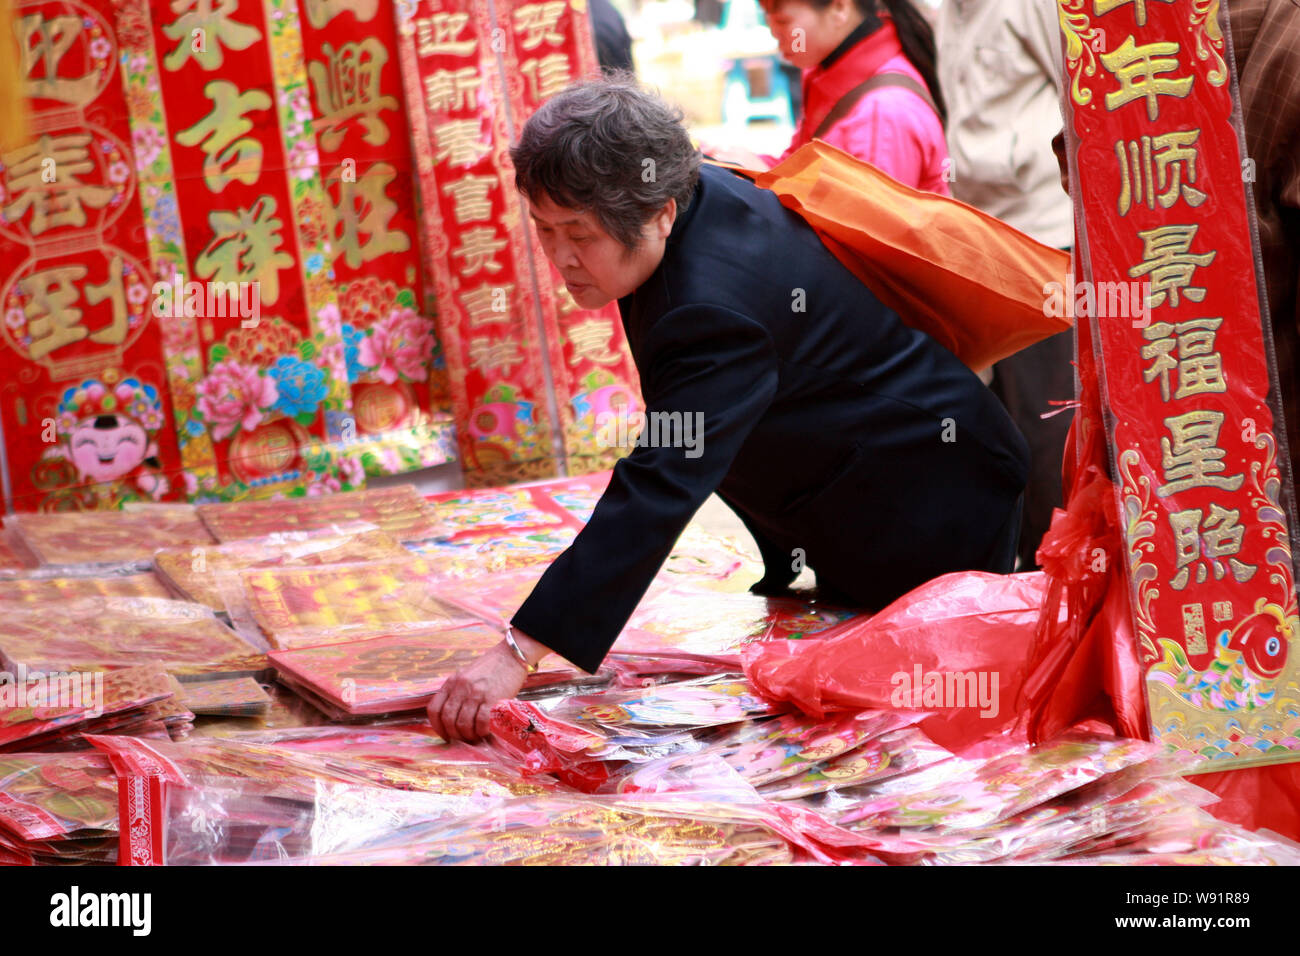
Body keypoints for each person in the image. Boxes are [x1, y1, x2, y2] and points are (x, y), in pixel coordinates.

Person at [427, 78, 1029, 744]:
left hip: (930, 499)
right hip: (859, 483)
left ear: (658, 213)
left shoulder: (713, 307)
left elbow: (660, 482)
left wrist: (518, 651)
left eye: (579, 234)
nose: (560, 257)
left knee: (934, 730)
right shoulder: (684, 193)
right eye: (544, 229)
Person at [936, 0, 1075, 569]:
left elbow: (1079, 92)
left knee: (1046, 419)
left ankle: (1053, 572)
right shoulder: (947, 12)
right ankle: (1016, 568)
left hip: (1045, 233)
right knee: (999, 419)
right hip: (981, 236)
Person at [705, 0, 949, 194]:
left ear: (840, 7)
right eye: (767, 18)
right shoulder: (828, 73)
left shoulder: (884, 112)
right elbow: (800, 165)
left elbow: (868, 239)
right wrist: (743, 165)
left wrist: (771, 180)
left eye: (782, 20)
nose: (774, 33)